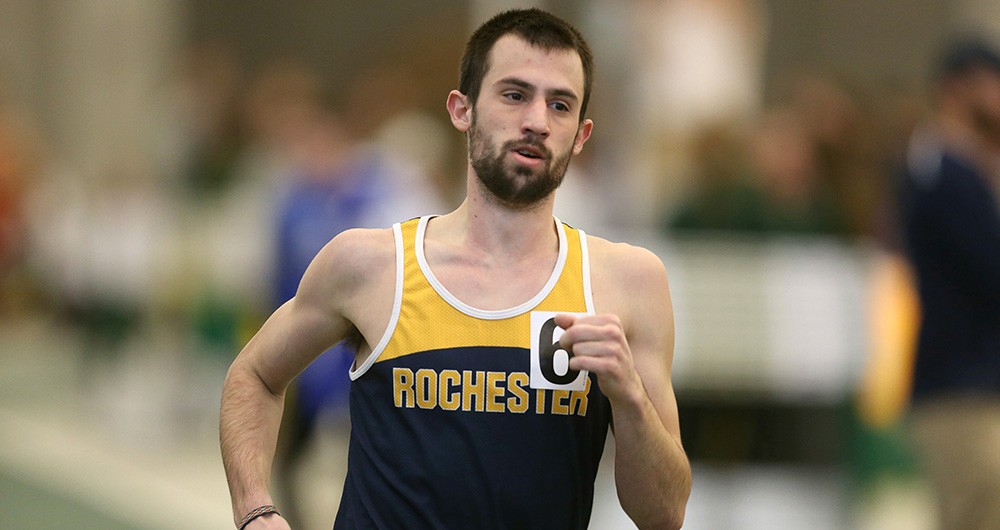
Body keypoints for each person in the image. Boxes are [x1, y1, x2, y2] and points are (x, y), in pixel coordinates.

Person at [220, 8, 692, 530]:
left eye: (560, 105)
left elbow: (664, 514)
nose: (536, 121)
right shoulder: (371, 265)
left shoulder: (627, 282)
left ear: (580, 136)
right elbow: (255, 374)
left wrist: (628, 397)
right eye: (514, 95)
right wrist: (254, 510)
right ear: (461, 109)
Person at [900, 36, 1000, 530]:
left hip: (970, 380)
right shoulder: (946, 169)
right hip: (962, 384)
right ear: (956, 90)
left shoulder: (961, 167)